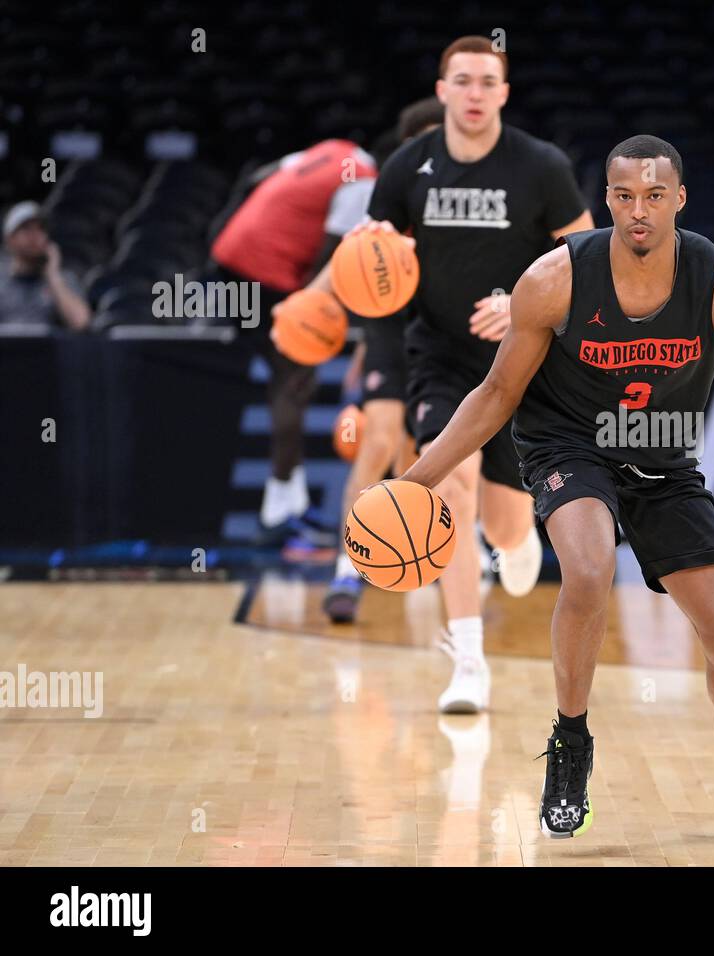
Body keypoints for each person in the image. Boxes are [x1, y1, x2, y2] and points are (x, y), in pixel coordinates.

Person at [393, 134, 714, 845]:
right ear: (605, 202)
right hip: (568, 442)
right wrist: (417, 480)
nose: (637, 211)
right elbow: (495, 393)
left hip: (662, 456)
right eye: (622, 197)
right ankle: (571, 743)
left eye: (653, 196)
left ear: (678, 198)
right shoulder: (554, 279)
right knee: (588, 568)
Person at [337, 36, 594, 712]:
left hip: (518, 361)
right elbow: (374, 262)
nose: (476, 93)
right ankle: (469, 660)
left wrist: (521, 304)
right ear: (443, 90)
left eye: (488, 81)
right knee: (449, 486)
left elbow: (586, 263)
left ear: (504, 93)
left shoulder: (541, 167)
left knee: (508, 526)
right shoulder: (406, 167)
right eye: (463, 81)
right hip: (440, 357)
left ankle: (514, 545)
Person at [211, 138, 378, 547]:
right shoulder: (365, 181)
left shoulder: (334, 150)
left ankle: (291, 503)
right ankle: (275, 515)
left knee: (284, 382)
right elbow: (331, 259)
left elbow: (259, 175)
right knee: (294, 382)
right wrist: (309, 313)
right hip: (263, 274)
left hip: (228, 258)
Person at [322, 97, 443, 623]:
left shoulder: (469, 191)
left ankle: (431, 557)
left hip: (440, 325)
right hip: (390, 323)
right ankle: (347, 570)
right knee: (378, 438)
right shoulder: (384, 190)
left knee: (427, 450)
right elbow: (355, 267)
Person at [0, 201, 90, 330]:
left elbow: (81, 322)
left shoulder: (63, 280)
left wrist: (53, 276)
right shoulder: (1, 282)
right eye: (26, 228)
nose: (35, 235)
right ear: (9, 239)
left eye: (40, 228)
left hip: (48, 350)